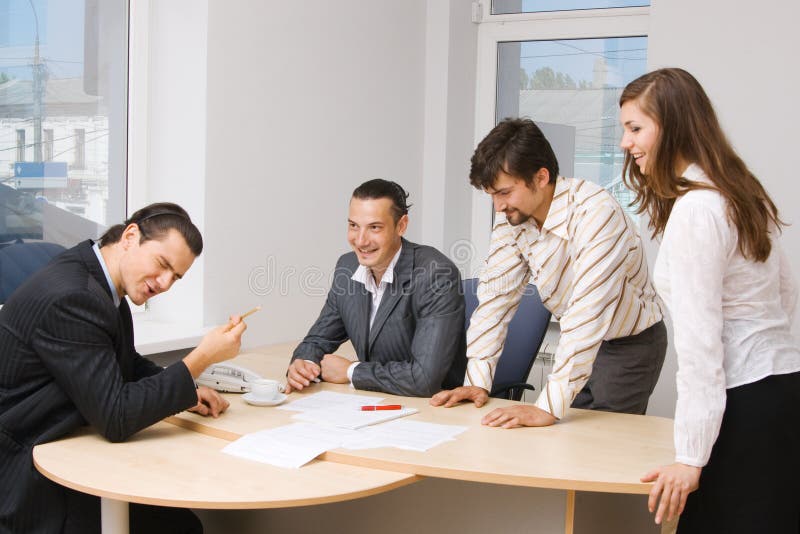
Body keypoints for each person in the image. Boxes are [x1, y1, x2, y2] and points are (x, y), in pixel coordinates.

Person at [618, 68, 800, 531]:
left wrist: (691, 456)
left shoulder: (698, 209)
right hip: (781, 390)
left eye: (635, 128)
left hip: (741, 405)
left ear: (673, 126)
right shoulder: (740, 194)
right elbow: (786, 296)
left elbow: (701, 343)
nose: (625, 143)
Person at [0, 203, 248, 534]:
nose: (163, 284)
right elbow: (115, 417)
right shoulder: (75, 297)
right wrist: (199, 360)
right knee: (178, 526)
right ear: (130, 236)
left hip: (62, 444)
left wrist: (185, 391)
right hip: (26, 474)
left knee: (179, 519)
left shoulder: (97, 278)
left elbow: (124, 363)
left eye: (175, 277)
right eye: (162, 265)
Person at [431, 118, 667, 428]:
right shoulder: (513, 221)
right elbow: (494, 302)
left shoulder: (595, 213)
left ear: (541, 177)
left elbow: (588, 313)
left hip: (627, 346)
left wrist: (547, 407)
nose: (497, 206)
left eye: (504, 192)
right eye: (491, 195)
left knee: (604, 447)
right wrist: (478, 381)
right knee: (563, 443)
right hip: (580, 339)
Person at [286, 179, 466, 397]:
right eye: (353, 225)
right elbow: (318, 339)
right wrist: (303, 363)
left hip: (435, 410)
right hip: (374, 402)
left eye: (374, 227)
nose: (360, 241)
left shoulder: (436, 274)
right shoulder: (348, 267)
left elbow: (424, 379)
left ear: (401, 225)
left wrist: (351, 371)